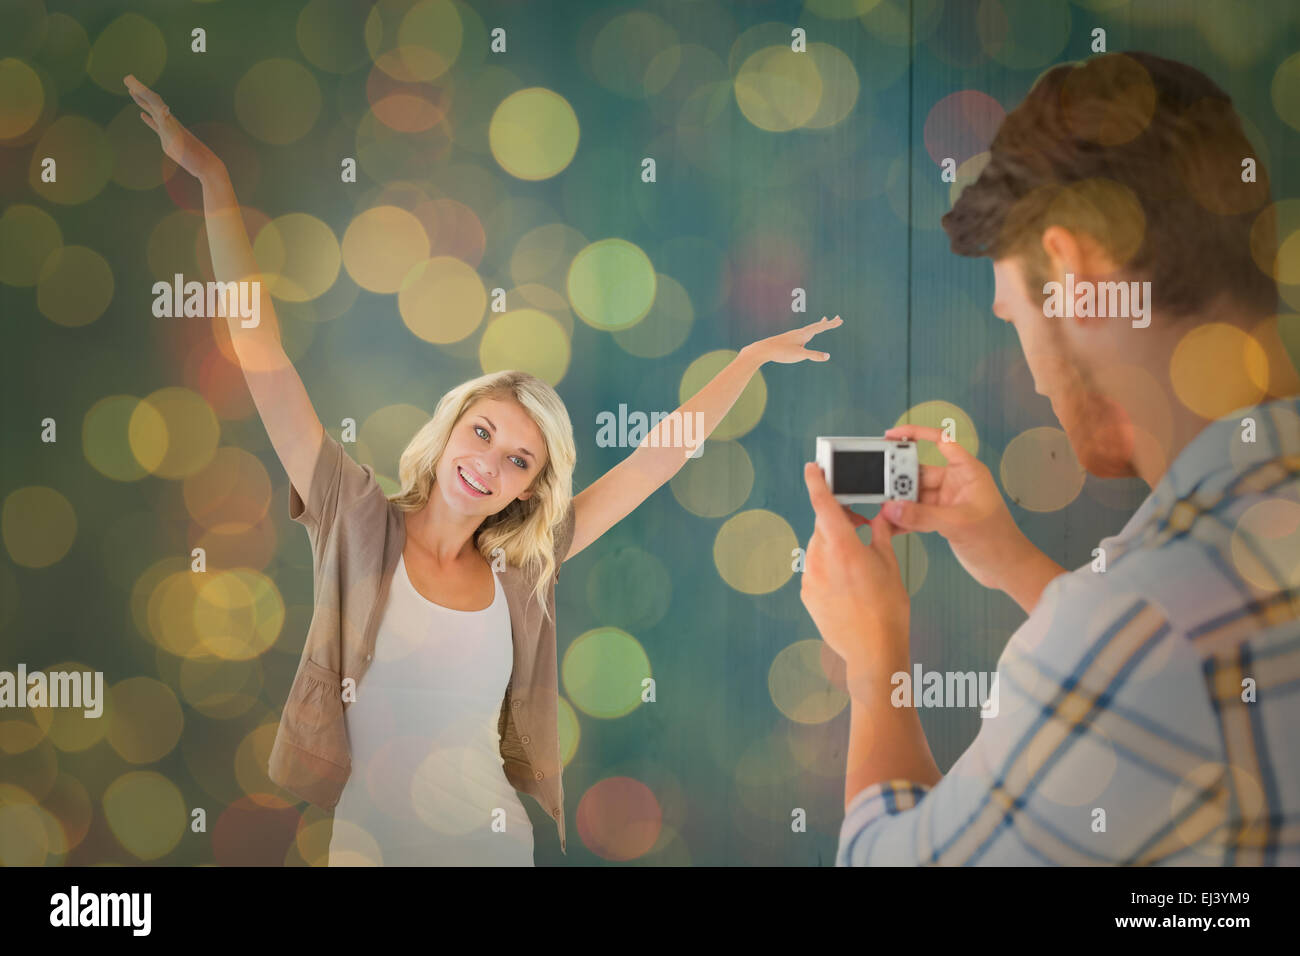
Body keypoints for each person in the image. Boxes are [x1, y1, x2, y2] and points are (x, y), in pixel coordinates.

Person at [125, 73, 843, 865]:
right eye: (482, 431)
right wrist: (213, 181)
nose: (488, 462)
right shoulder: (354, 516)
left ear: (531, 485)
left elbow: (655, 460)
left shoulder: (522, 567)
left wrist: (746, 360)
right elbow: (260, 355)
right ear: (448, 430)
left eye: (517, 459)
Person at [800, 52, 1300, 865]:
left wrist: (875, 662)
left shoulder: (1132, 629)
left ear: (1076, 271)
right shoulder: (1185, 597)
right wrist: (1014, 564)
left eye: (1013, 318)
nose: (1031, 370)